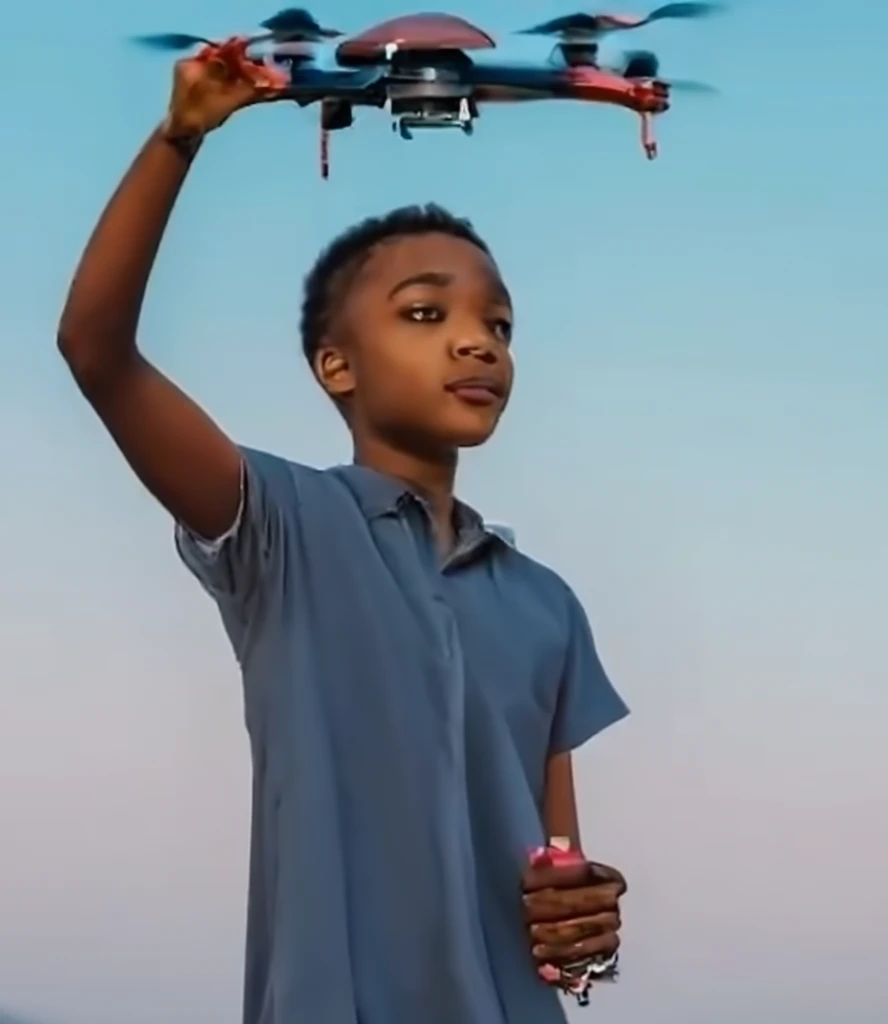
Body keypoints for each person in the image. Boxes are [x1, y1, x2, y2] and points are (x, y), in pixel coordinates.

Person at [58, 40, 629, 1024]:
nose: (474, 340)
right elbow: (96, 349)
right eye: (423, 312)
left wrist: (586, 935)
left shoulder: (546, 604)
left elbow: (559, 890)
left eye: (499, 324)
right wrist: (180, 136)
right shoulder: (280, 529)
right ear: (336, 366)